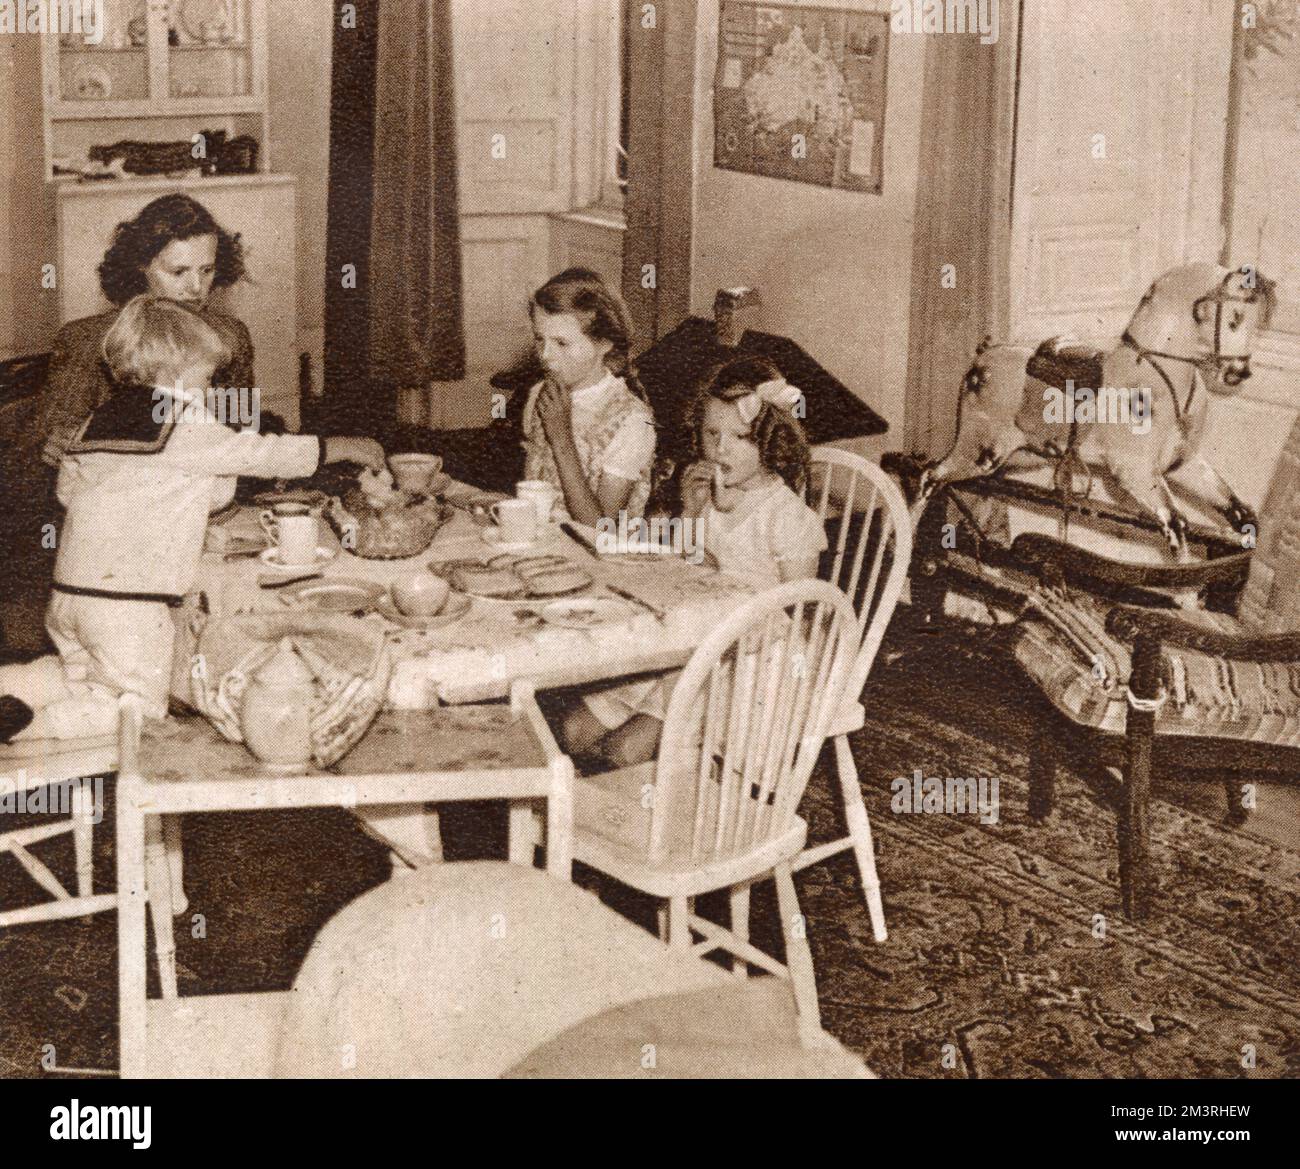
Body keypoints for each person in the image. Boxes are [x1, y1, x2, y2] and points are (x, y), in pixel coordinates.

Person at [0, 297, 384, 744]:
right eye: (205, 376)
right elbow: (261, 452)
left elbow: (71, 492)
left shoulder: (96, 421)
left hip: (69, 595)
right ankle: (31, 727)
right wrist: (340, 446)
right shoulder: (182, 420)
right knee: (137, 705)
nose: (208, 387)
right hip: (130, 605)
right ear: (175, 372)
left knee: (75, 674)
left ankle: (12, 687)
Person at [2, 193, 258, 655]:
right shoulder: (89, 341)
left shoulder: (230, 337)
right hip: (104, 544)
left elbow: (243, 429)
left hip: (196, 517)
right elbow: (34, 469)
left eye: (207, 270)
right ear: (140, 267)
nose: (195, 288)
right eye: (177, 272)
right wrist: (59, 448)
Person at [560, 355, 828, 768]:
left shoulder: (786, 516)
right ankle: (605, 802)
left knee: (624, 750)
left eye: (740, 437)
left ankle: (657, 801)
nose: (721, 448)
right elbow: (680, 568)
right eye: (711, 433)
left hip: (741, 660)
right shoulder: (705, 498)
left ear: (770, 441)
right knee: (573, 731)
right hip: (682, 638)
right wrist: (689, 512)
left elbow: (799, 613)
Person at [520, 268, 656, 527]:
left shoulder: (634, 421)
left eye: (561, 343)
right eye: (540, 340)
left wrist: (561, 437)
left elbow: (599, 527)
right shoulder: (539, 394)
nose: (545, 355)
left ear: (604, 343)